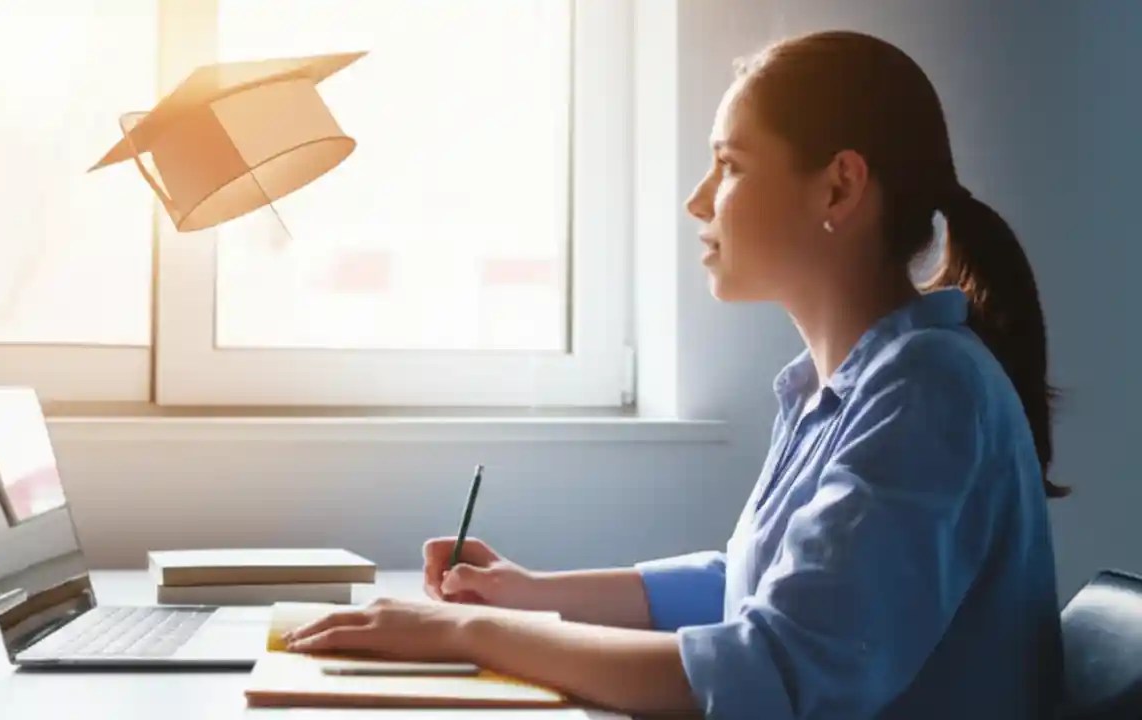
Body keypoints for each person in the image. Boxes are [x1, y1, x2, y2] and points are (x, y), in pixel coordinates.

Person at [284, 30, 1065, 719]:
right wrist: (531, 593)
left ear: (838, 186)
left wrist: (466, 629)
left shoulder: (928, 389)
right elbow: (743, 585)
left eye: (728, 165)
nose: (699, 201)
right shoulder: (838, 387)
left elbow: (772, 670)